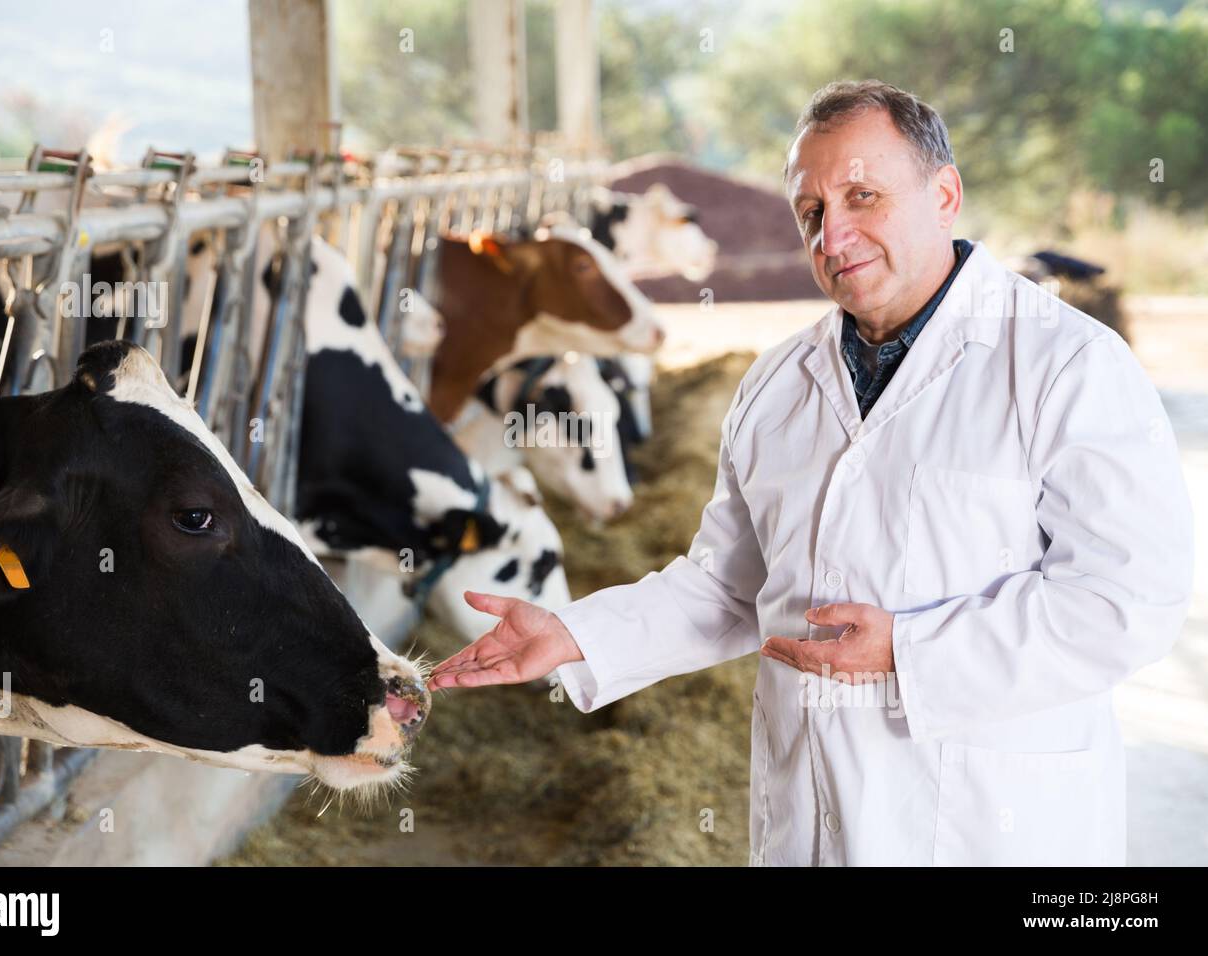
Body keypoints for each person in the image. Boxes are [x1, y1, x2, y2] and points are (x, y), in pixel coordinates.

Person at [427, 80, 1195, 866]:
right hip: (810, 825)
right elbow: (728, 587)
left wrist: (910, 649)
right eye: (812, 211)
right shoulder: (776, 383)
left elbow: (1129, 599)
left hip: (990, 827)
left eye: (864, 196)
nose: (835, 237)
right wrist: (573, 633)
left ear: (945, 195)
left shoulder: (1064, 365)